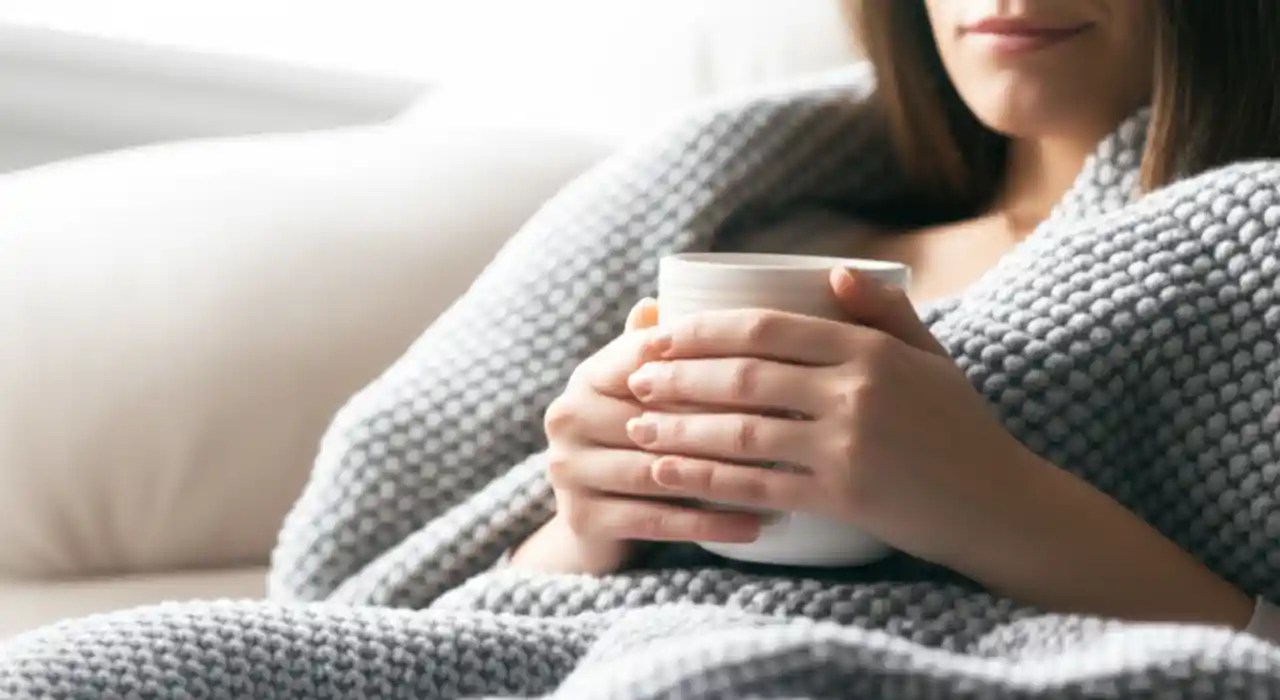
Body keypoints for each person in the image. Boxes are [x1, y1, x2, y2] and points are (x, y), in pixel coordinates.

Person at [513, 0, 1280, 633]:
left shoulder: (1251, 250)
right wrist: (586, 527)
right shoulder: (749, 223)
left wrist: (1000, 506)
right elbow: (435, 607)